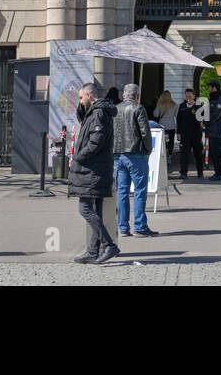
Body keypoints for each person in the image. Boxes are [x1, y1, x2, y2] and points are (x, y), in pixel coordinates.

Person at [68, 83, 119, 264]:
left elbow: (96, 141)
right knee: (95, 209)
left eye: (81, 98)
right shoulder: (94, 112)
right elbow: (87, 128)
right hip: (95, 169)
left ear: (90, 96)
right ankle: (92, 251)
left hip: (93, 169)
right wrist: (81, 110)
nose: (80, 101)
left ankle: (109, 245)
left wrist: (79, 157)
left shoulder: (99, 113)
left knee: (85, 209)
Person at [113, 83, 157, 238]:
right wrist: (148, 150)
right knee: (139, 190)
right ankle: (140, 226)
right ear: (137, 95)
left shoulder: (116, 109)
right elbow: (145, 132)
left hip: (118, 154)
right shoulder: (138, 108)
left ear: (124, 94)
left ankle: (122, 227)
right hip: (135, 153)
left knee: (122, 192)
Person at [175, 87, 205, 179]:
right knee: (184, 154)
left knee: (198, 154)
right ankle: (183, 173)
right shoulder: (182, 106)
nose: (188, 98)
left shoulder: (199, 106)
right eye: (186, 96)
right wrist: (178, 133)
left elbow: (203, 120)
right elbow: (178, 120)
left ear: (194, 96)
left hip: (196, 134)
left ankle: (200, 172)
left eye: (190, 96)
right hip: (185, 135)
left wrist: (202, 125)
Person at [205, 80, 221, 181]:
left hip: (217, 131)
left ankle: (220, 174)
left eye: (210, 87)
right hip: (211, 130)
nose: (209, 89)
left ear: (214, 87)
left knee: (216, 153)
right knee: (213, 153)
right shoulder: (211, 100)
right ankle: (217, 172)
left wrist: (205, 121)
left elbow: (216, 115)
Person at [152, 90, 178, 163]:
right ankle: (169, 156)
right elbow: (177, 116)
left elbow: (155, 114)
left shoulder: (160, 104)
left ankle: (162, 156)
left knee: (162, 141)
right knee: (171, 142)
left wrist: (157, 104)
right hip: (171, 126)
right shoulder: (174, 104)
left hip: (162, 125)